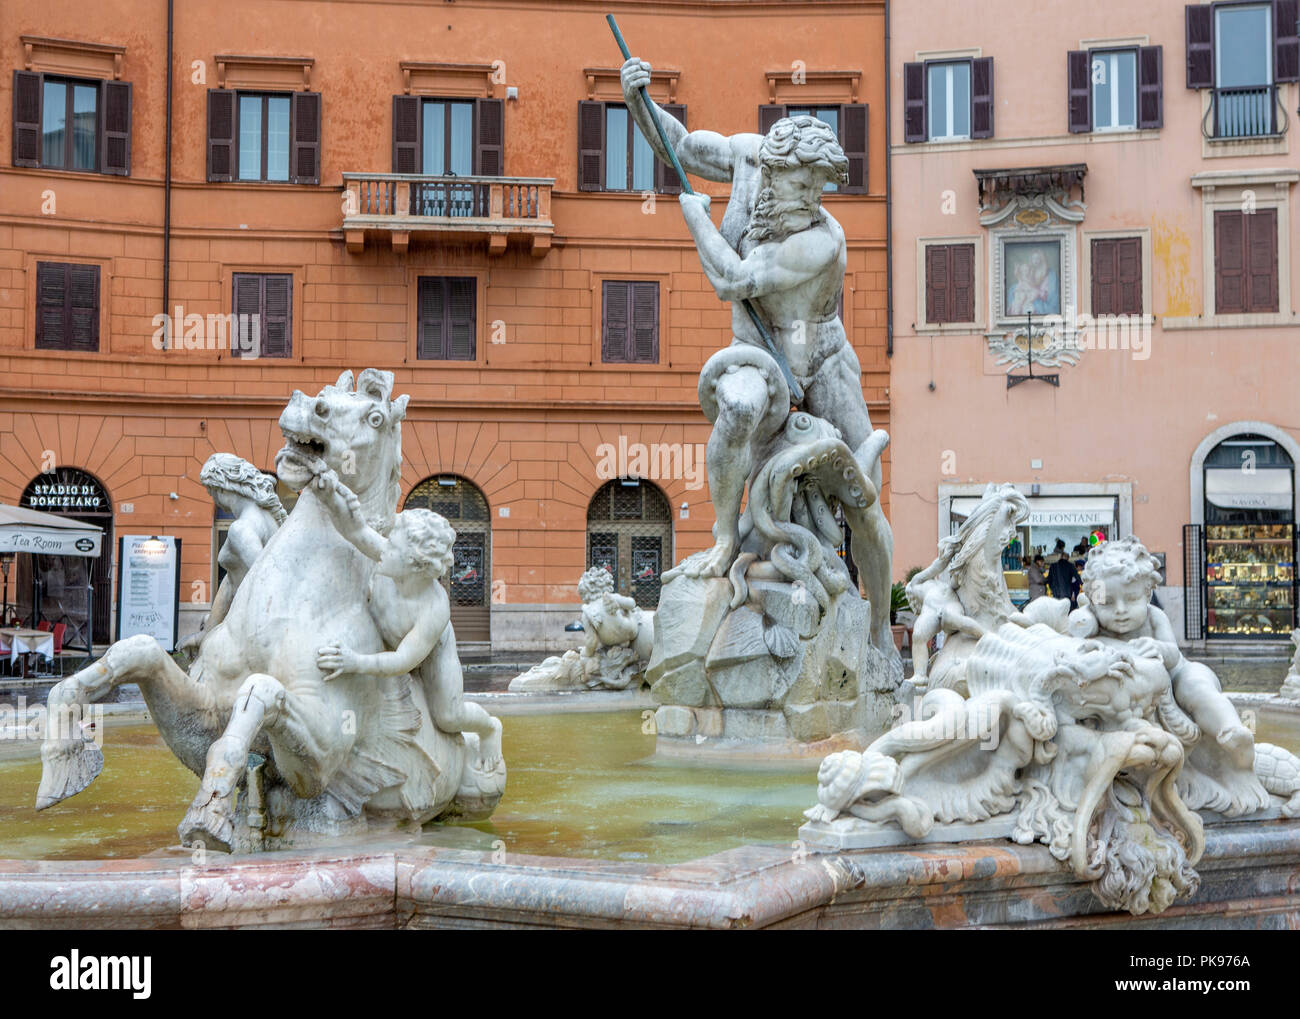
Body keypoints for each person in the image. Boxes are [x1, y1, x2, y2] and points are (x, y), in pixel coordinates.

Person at [620, 56, 893, 648]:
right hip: (758, 352)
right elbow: (682, 149)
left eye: (821, 187)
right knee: (738, 409)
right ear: (772, 168)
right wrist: (638, 100)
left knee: (863, 499)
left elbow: (734, 282)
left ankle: (877, 636)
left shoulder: (822, 238)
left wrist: (698, 222)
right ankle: (724, 537)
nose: (813, 198)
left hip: (822, 359)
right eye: (803, 184)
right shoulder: (746, 156)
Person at [311, 469, 503, 768]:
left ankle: (490, 728)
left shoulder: (433, 608)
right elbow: (357, 531)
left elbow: (403, 661)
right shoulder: (391, 561)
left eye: (394, 546)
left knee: (448, 716)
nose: (383, 547)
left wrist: (353, 662)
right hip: (385, 637)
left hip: (431, 657)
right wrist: (331, 497)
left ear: (415, 565)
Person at [1069, 536, 1253, 767]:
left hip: (1177, 674)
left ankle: (1232, 732)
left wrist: (1158, 648)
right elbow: (1075, 630)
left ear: (1147, 595)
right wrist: (1084, 618)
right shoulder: (1095, 620)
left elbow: (1173, 654)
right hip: (1135, 694)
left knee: (1196, 688)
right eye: (1107, 603)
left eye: (1132, 598)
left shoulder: (1154, 616)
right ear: (1094, 602)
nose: (1120, 611)